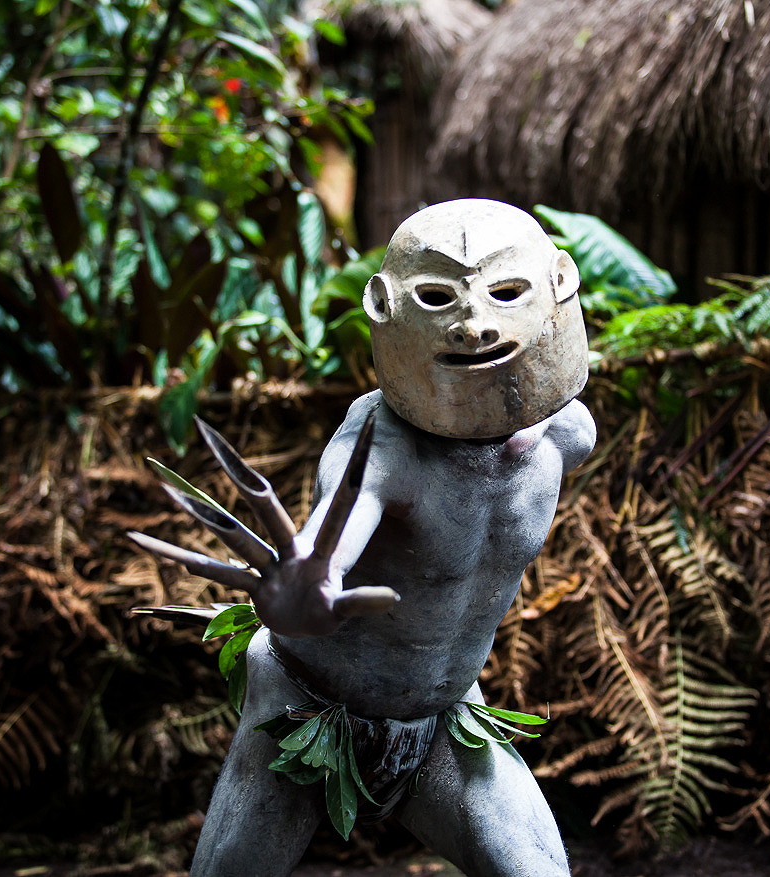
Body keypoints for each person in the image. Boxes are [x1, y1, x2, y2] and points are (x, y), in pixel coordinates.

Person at [133, 200, 596, 876]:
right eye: (437, 297)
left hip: (444, 717)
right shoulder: (381, 446)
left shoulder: (566, 436)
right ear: (385, 307)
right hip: (305, 704)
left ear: (558, 286)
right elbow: (341, 520)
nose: (473, 323)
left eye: (504, 291)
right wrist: (310, 587)